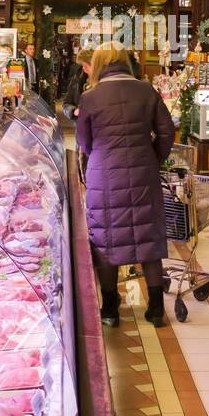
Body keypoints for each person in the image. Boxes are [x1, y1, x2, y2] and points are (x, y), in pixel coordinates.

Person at [76, 43, 174, 328]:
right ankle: (156, 308)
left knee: (106, 239)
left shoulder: (90, 96)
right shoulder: (145, 90)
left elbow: (83, 140)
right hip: (144, 172)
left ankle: (109, 309)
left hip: (104, 175)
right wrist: (153, 157)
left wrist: (98, 157)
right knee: (148, 237)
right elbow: (167, 130)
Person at [62, 48, 93, 121]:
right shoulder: (77, 79)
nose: (84, 68)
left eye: (87, 65)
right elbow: (66, 104)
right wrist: (73, 111)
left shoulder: (103, 80)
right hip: (80, 123)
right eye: (82, 65)